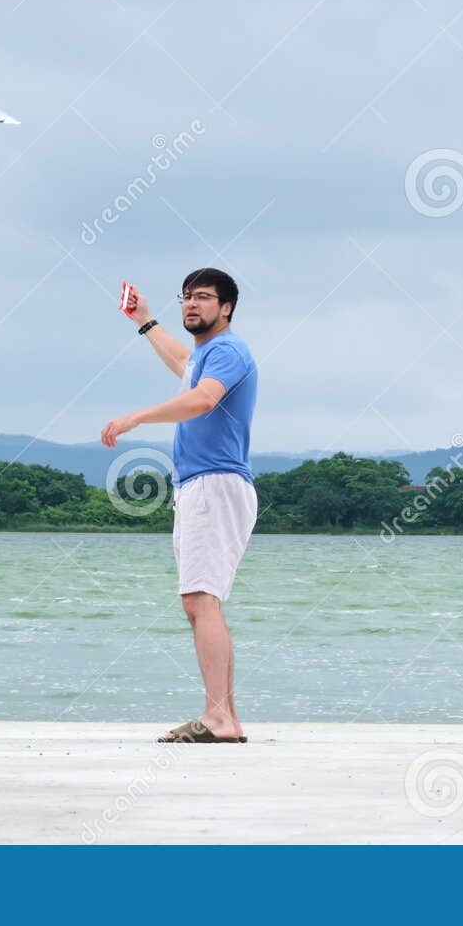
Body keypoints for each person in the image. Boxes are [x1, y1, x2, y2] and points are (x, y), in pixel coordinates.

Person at [101, 267, 259, 744]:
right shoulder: (207, 354)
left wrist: (136, 417)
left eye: (204, 297)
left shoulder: (228, 351)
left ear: (226, 307)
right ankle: (225, 717)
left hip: (214, 485)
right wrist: (145, 320)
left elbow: (203, 400)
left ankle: (217, 719)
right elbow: (181, 364)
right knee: (204, 602)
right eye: (187, 297)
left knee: (198, 600)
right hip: (205, 486)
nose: (192, 304)